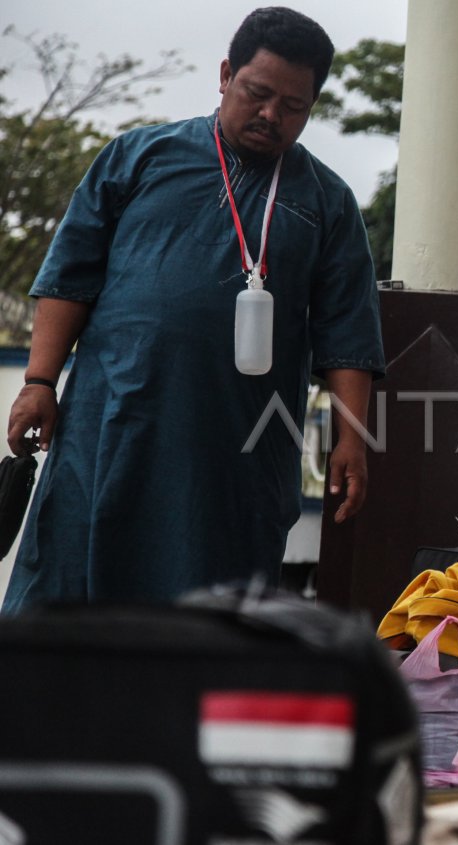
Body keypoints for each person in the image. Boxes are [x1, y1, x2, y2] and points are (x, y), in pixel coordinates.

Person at [2, 7, 384, 609]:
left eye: (293, 107)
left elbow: (347, 332)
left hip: (237, 445)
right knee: (68, 588)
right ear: (227, 74)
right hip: (112, 420)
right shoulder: (139, 156)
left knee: (212, 605)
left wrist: (351, 438)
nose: (270, 115)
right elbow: (69, 276)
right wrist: (39, 381)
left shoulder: (326, 202)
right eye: (258, 94)